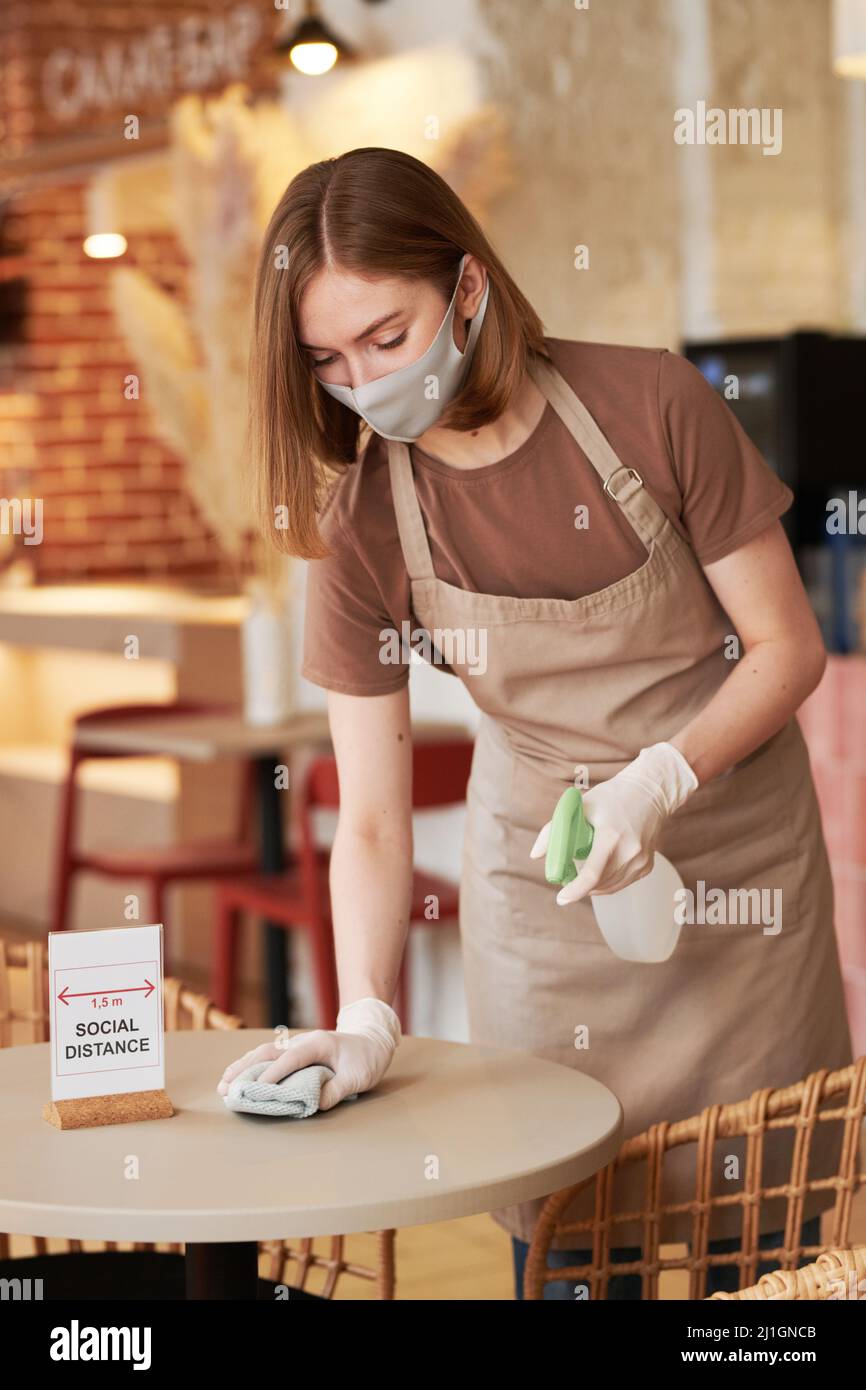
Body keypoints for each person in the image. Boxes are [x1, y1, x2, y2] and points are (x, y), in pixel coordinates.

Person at [217, 147, 853, 1300]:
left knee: (767, 1267)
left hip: (732, 880)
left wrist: (657, 781)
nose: (361, 380)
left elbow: (786, 649)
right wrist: (366, 1014)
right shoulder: (364, 525)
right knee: (567, 1246)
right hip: (548, 908)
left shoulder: (652, 406)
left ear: (466, 288)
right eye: (326, 359)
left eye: (386, 336)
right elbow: (368, 820)